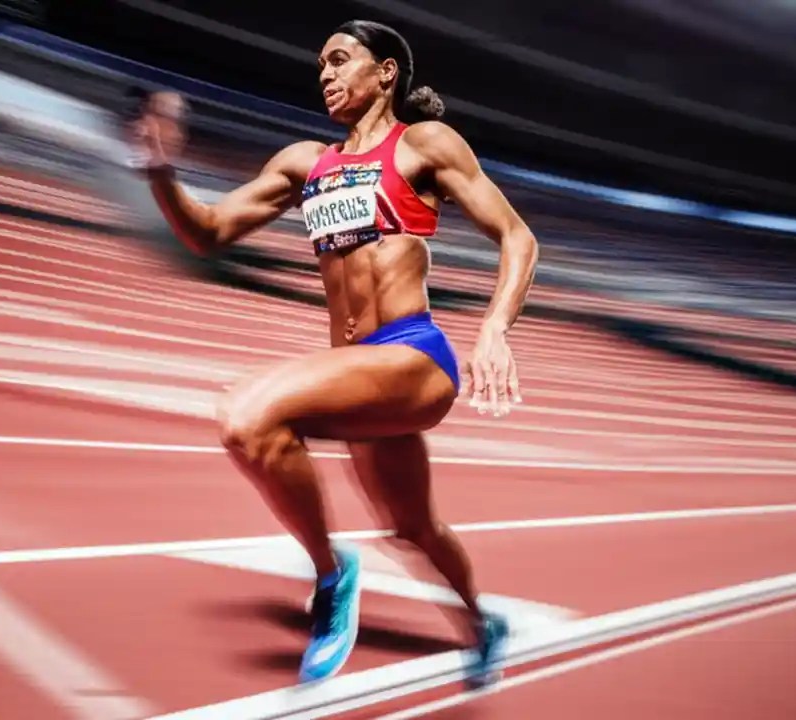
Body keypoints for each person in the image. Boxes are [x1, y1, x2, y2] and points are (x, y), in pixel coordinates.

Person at [130, 20, 539, 689]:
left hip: (412, 358)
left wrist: (495, 327)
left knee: (246, 414)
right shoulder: (304, 164)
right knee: (414, 530)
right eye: (319, 62)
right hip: (359, 372)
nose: (324, 73)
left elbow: (517, 238)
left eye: (341, 60)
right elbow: (207, 232)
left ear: (385, 74)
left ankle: (330, 572)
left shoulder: (424, 146)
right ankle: (481, 623)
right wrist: (159, 172)